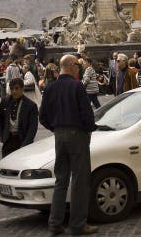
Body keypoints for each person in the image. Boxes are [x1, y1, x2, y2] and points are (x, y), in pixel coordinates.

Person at [39, 55, 98, 236]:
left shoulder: (50, 87)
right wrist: (88, 130)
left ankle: (55, 223)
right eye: (78, 66)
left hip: (59, 135)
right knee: (80, 180)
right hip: (76, 134)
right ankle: (78, 224)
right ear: (71, 66)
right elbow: (87, 113)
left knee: (61, 180)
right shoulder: (76, 86)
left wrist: (56, 128)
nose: (79, 69)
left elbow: (42, 116)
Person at [0, 78, 39, 157]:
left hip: (22, 139)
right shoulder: (5, 102)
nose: (14, 91)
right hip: (8, 139)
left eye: (16, 88)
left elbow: (33, 127)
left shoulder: (31, 106)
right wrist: (0, 135)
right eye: (11, 89)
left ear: (22, 89)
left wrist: (26, 143)